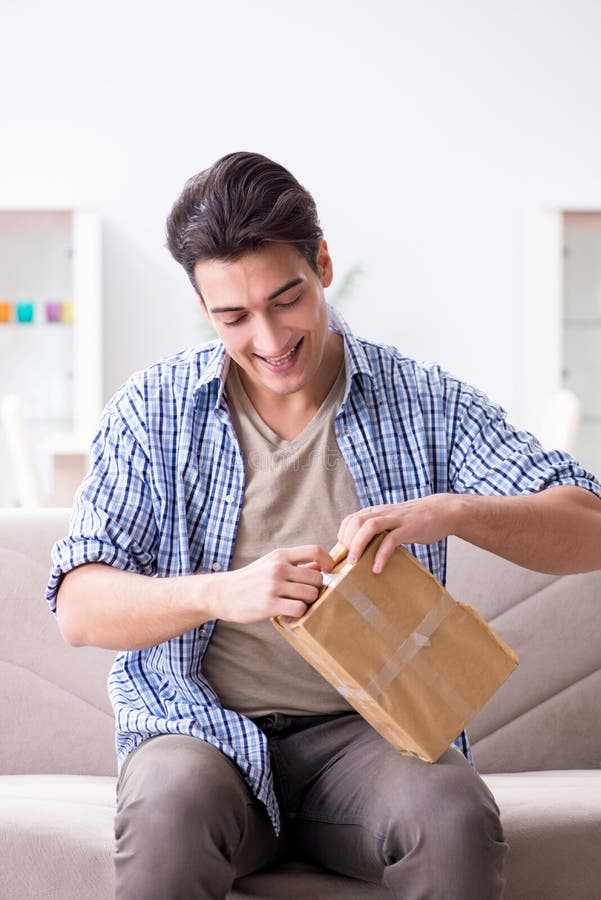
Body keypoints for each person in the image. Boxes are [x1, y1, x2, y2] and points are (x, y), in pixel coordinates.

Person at [46, 151, 601, 900]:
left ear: (323, 265)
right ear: (202, 307)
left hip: (371, 735)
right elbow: (79, 607)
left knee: (449, 816)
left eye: (286, 299)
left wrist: (450, 511)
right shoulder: (154, 410)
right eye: (233, 317)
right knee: (166, 809)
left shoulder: (422, 401)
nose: (269, 339)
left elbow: (587, 526)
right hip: (199, 729)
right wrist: (222, 594)